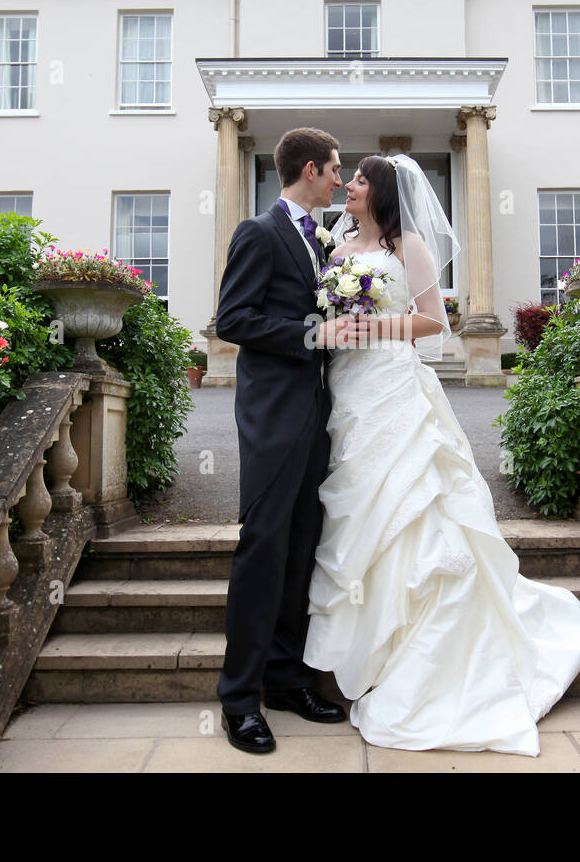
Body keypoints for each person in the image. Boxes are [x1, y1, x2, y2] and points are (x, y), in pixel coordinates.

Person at [302, 153, 580, 757]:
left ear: (380, 192)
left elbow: (434, 322)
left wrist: (373, 326)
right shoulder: (333, 246)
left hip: (393, 386)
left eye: (358, 180)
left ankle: (422, 650)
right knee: (358, 500)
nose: (348, 187)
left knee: (415, 499)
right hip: (348, 389)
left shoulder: (405, 244)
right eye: (348, 177)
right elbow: (320, 316)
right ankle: (371, 645)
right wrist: (334, 320)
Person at [213, 127, 367, 754]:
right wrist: (315, 333)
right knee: (265, 547)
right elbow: (234, 319)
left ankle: (286, 677)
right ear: (310, 169)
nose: (340, 180)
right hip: (273, 417)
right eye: (335, 170)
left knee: (302, 546)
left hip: (315, 412)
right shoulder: (259, 231)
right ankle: (239, 699)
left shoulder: (320, 240)